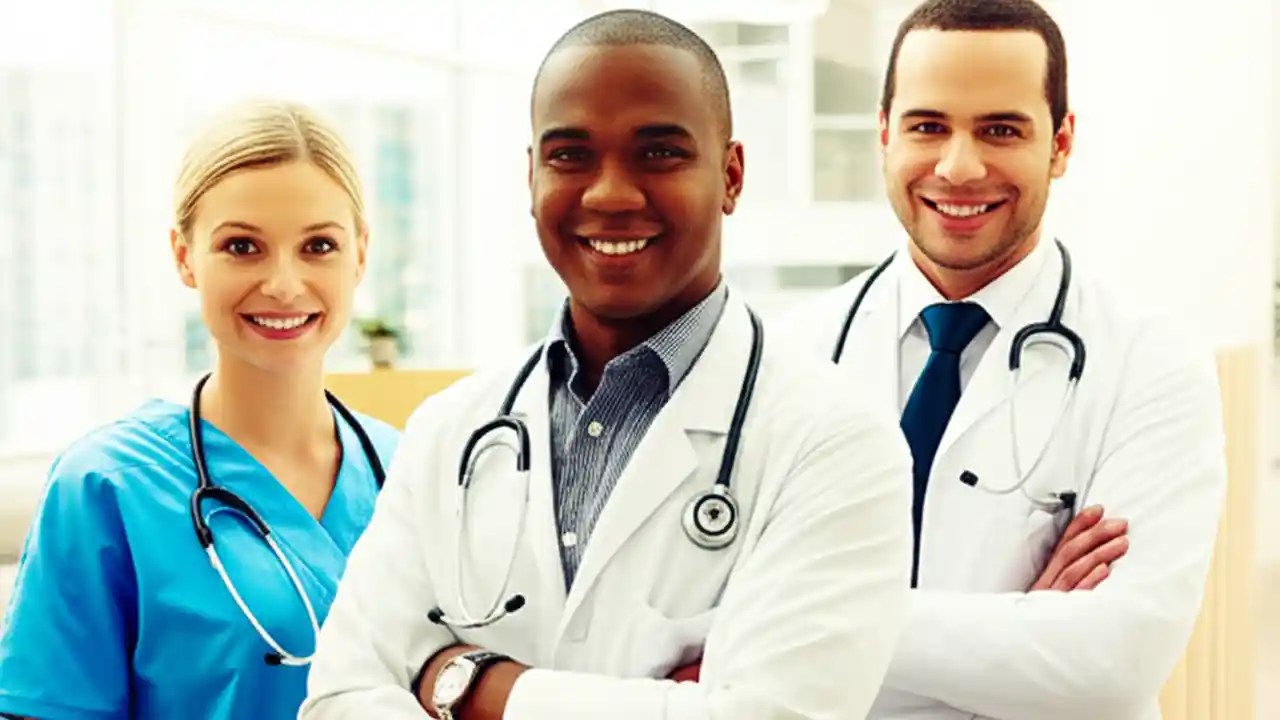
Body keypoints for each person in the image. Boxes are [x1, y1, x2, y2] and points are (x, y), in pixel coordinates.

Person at [300, 9, 914, 720]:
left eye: (658, 154)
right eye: (570, 155)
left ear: (732, 175)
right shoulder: (449, 431)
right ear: (531, 176)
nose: (610, 193)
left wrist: (473, 688)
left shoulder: (838, 441)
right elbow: (340, 698)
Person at [779, 0, 1228, 718]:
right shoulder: (786, 356)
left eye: (1001, 129)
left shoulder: (1153, 364)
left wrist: (811, 615)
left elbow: (1115, 659)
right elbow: (704, 628)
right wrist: (1024, 627)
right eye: (929, 126)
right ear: (884, 135)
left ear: (1061, 143)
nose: (959, 167)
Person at [0, 100, 400, 720]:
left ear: (361, 255)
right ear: (185, 257)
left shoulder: (412, 472)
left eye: (319, 245)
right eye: (242, 246)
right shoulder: (108, 485)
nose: (285, 284)